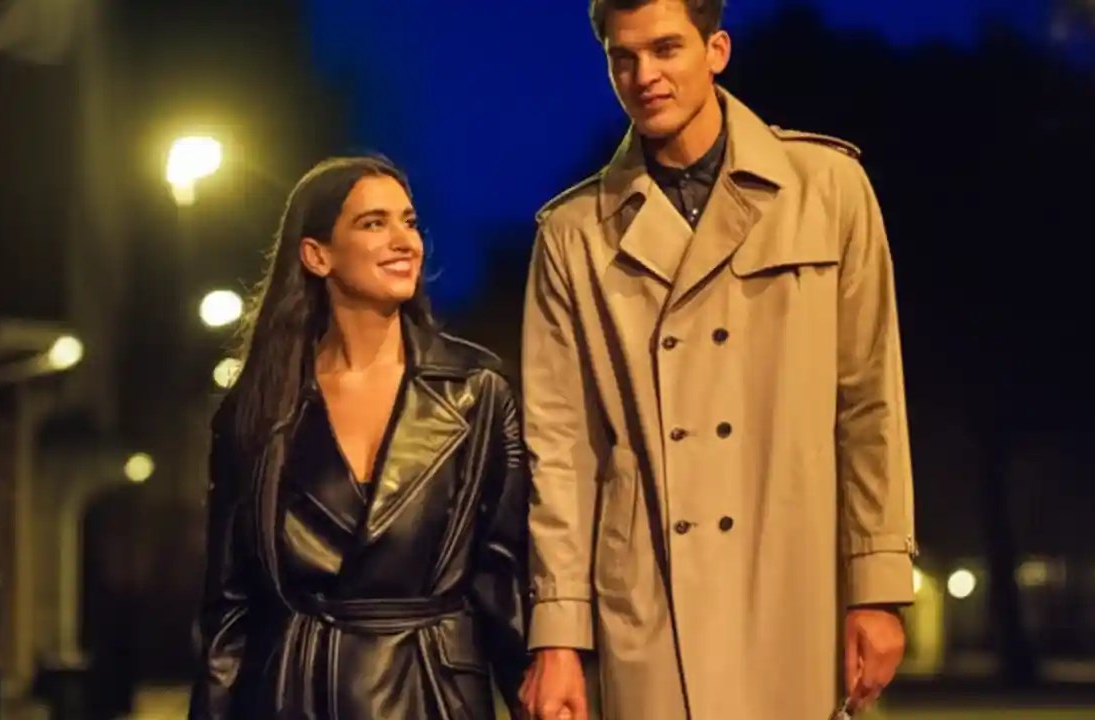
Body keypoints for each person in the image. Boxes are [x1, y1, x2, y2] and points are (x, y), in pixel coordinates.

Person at [517, 1, 917, 718]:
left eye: (667, 49)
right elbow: (559, 452)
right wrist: (557, 636)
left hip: (794, 572)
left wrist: (878, 585)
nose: (645, 75)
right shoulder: (572, 235)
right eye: (623, 57)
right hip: (650, 591)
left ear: (717, 49)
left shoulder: (828, 188)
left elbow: (870, 401)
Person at [188, 155, 530, 719]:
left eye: (409, 222)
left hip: (433, 692)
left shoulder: (477, 390)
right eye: (374, 224)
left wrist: (534, 688)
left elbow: (504, 575)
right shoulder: (258, 407)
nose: (404, 241)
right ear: (317, 255)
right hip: (297, 694)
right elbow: (229, 605)